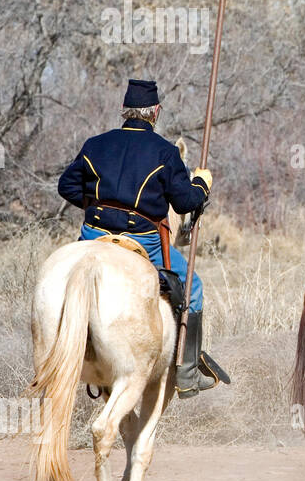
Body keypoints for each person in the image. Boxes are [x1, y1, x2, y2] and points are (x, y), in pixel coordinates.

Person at [57, 78, 220, 397]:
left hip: (93, 235)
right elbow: (185, 202)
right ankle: (187, 373)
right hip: (143, 240)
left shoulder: (95, 144)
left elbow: (67, 186)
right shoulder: (166, 152)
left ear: (124, 111)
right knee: (194, 287)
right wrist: (201, 184)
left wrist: (97, 207)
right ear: (155, 112)